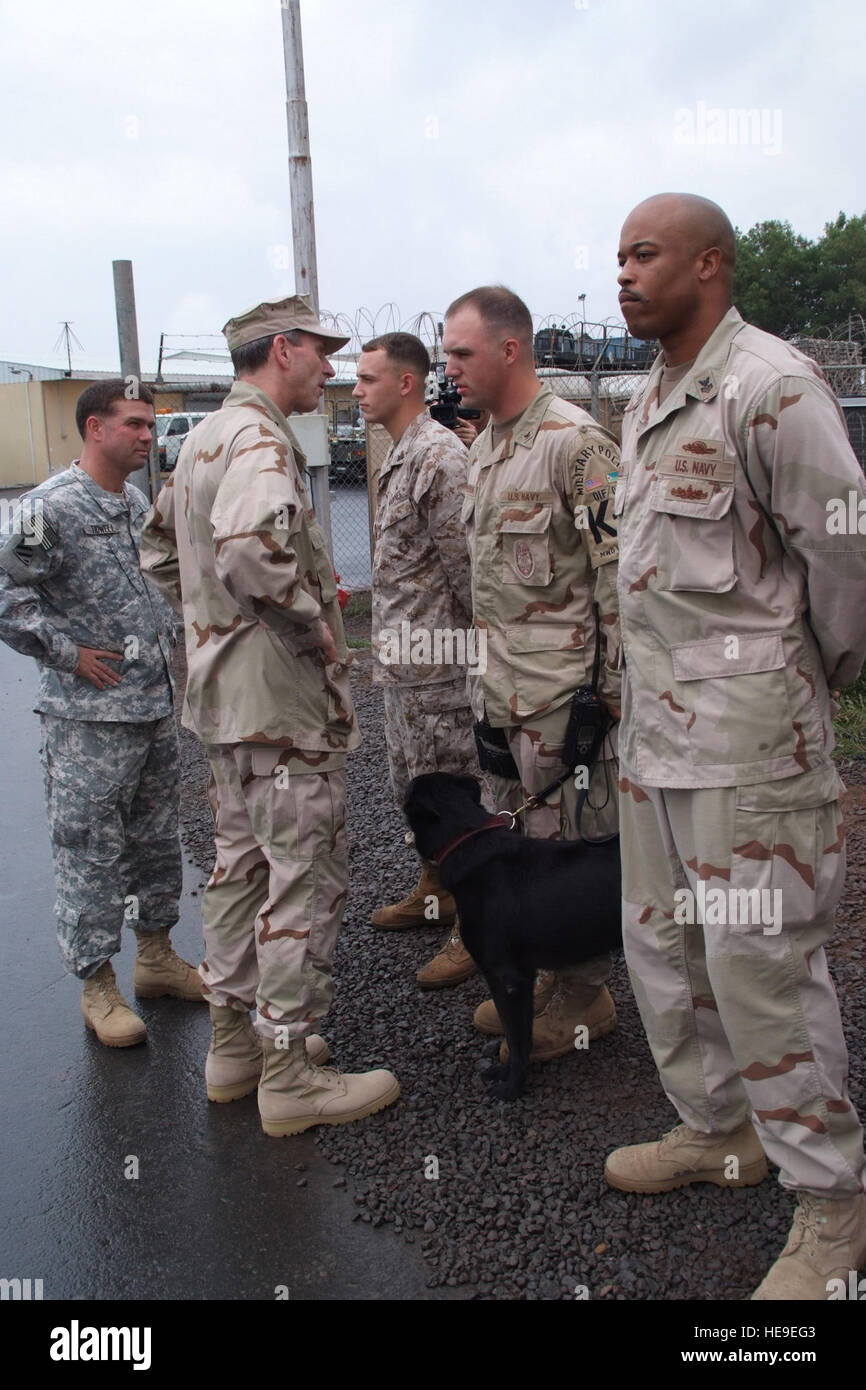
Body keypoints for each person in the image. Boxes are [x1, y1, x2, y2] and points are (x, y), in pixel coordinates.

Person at [606, 192, 866, 1300]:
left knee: (760, 969)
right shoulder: (649, 395)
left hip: (751, 749)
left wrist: (810, 677)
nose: (620, 274)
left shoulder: (771, 386)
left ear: (708, 264)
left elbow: (843, 555)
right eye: (614, 255)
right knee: (665, 953)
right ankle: (721, 1128)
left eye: (643, 254)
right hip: (654, 737)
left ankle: (830, 1202)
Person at [139, 294, 399, 1137]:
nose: (329, 370)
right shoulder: (257, 440)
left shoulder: (206, 435)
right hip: (281, 707)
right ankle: (287, 1074)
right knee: (303, 880)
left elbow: (158, 548)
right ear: (281, 348)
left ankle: (236, 1051)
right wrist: (310, 628)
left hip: (224, 706)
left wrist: (214, 622)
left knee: (239, 871)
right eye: (320, 352)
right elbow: (252, 549)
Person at [442, 285, 622, 1061]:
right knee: (525, 849)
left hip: (563, 701)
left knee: (570, 854)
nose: (450, 369)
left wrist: (610, 696)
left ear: (510, 350)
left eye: (461, 353)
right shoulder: (485, 447)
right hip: (505, 693)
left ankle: (588, 1000)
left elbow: (620, 578)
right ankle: (550, 979)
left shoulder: (576, 445)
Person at [0, 380, 201, 1047]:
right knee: (91, 852)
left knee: (152, 843)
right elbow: (7, 598)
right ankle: (96, 984)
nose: (148, 438)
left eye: (151, 427)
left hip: (150, 709)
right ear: (95, 429)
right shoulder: (49, 508)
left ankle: (156, 958)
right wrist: (68, 653)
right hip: (88, 723)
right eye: (136, 426)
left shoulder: (134, 501)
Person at [353, 332, 479, 988]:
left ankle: (474, 925)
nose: (355, 389)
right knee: (413, 788)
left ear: (406, 384)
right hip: (404, 667)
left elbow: (468, 573)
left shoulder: (440, 456)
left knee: (452, 794)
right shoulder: (399, 452)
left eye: (367, 378)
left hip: (441, 670)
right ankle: (435, 891)